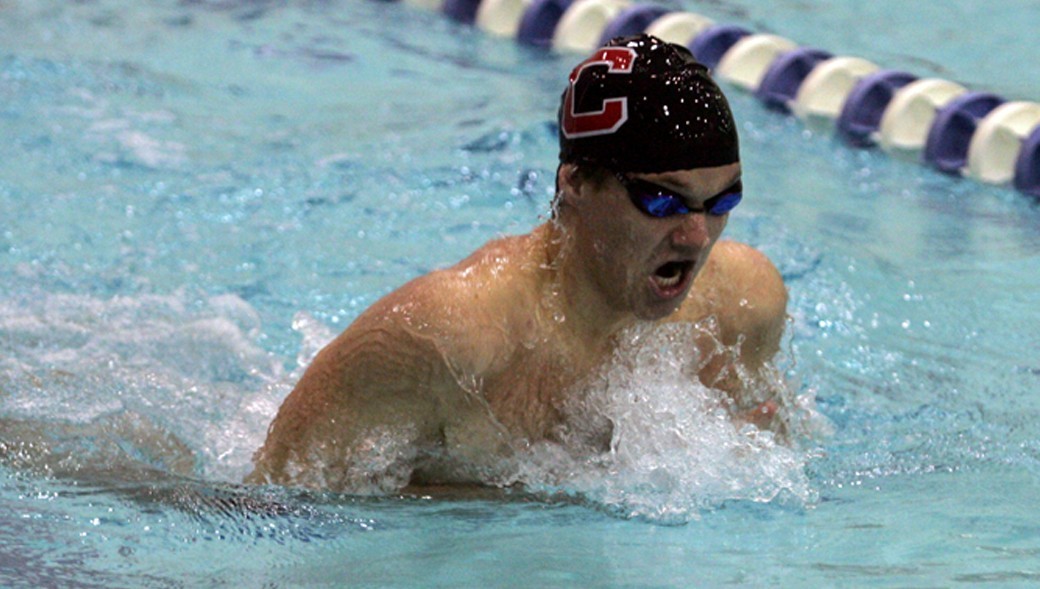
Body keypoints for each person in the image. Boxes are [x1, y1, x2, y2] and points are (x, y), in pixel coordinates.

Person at [247, 35, 788, 492]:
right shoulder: (444, 342)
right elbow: (273, 510)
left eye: (721, 203)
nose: (697, 234)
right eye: (663, 200)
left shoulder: (741, 306)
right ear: (575, 182)